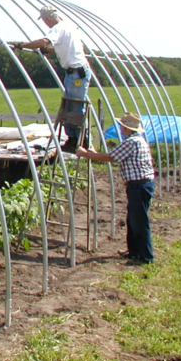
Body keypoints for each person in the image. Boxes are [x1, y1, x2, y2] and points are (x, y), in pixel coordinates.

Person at [76, 112, 156, 265]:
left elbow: (111, 158)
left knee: (139, 221)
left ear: (126, 128)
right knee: (133, 219)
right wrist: (93, 153)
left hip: (139, 186)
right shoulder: (136, 140)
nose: (120, 128)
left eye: (121, 126)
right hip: (140, 185)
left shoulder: (131, 142)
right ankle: (134, 252)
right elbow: (113, 155)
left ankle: (146, 257)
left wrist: (85, 154)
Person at [10, 6, 91, 152]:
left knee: (75, 108)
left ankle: (79, 142)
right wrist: (48, 51)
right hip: (75, 72)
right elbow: (66, 48)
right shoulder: (69, 26)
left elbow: (44, 41)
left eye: (44, 20)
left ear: (47, 19)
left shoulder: (57, 29)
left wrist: (21, 45)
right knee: (70, 106)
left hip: (76, 74)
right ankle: (74, 140)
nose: (45, 23)